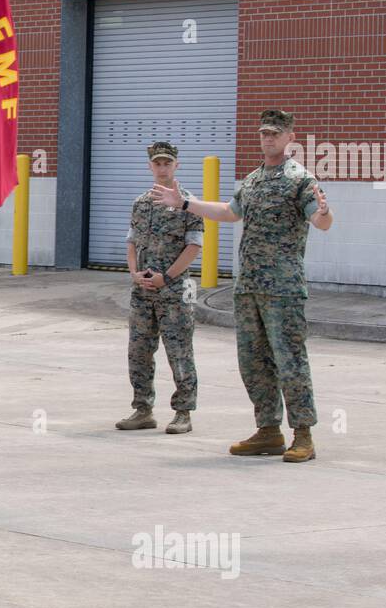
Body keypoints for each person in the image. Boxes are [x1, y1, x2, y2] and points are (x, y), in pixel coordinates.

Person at [150, 109, 333, 462]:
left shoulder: (300, 179)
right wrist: (185, 203)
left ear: (289, 138)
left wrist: (324, 212)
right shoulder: (252, 179)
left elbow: (321, 221)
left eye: (275, 134)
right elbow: (230, 212)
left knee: (290, 360)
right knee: (253, 361)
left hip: (282, 288)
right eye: (264, 133)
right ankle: (268, 430)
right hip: (248, 286)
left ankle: (303, 435)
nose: (268, 139)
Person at [117, 141, 202, 435]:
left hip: (175, 291)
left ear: (176, 165)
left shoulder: (187, 203)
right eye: (157, 163)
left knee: (179, 351)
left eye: (167, 163)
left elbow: (194, 247)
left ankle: (183, 412)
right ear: (150, 166)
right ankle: (142, 409)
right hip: (142, 292)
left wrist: (166, 277)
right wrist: (134, 273)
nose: (162, 167)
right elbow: (131, 241)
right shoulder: (140, 203)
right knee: (139, 350)